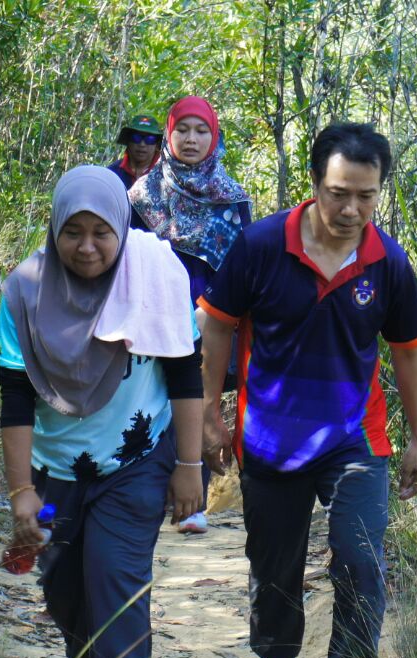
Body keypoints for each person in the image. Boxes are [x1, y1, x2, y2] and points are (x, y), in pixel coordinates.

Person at [197, 123, 417, 658]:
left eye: (366, 195)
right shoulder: (261, 246)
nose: (351, 208)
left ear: (379, 193)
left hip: (355, 438)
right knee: (274, 568)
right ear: (315, 186)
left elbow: (409, 352)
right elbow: (216, 324)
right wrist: (208, 413)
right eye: (338, 193)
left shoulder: (388, 263)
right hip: (269, 435)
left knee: (360, 559)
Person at [0, 165, 204, 658]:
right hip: (55, 471)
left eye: (101, 233)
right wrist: (20, 494)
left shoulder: (156, 276)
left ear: (121, 229)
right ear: (55, 229)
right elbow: (15, 398)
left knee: (113, 579)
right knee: (65, 593)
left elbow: (185, 372)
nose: (87, 247)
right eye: (73, 232)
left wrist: (188, 465)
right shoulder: (26, 291)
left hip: (136, 459)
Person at [129, 95, 251, 534]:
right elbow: (126, 255)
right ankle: (148, 495)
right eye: (183, 130)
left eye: (202, 131)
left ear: (214, 137)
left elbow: (244, 260)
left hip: (209, 313)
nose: (192, 139)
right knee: (150, 398)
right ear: (169, 134)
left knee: (200, 399)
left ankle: (192, 503)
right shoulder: (142, 195)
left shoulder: (232, 197)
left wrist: (221, 311)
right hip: (151, 310)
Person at [107, 114, 162, 190]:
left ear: (157, 145)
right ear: (128, 141)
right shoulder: (113, 172)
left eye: (150, 139)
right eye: (136, 138)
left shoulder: (165, 173)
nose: (142, 144)